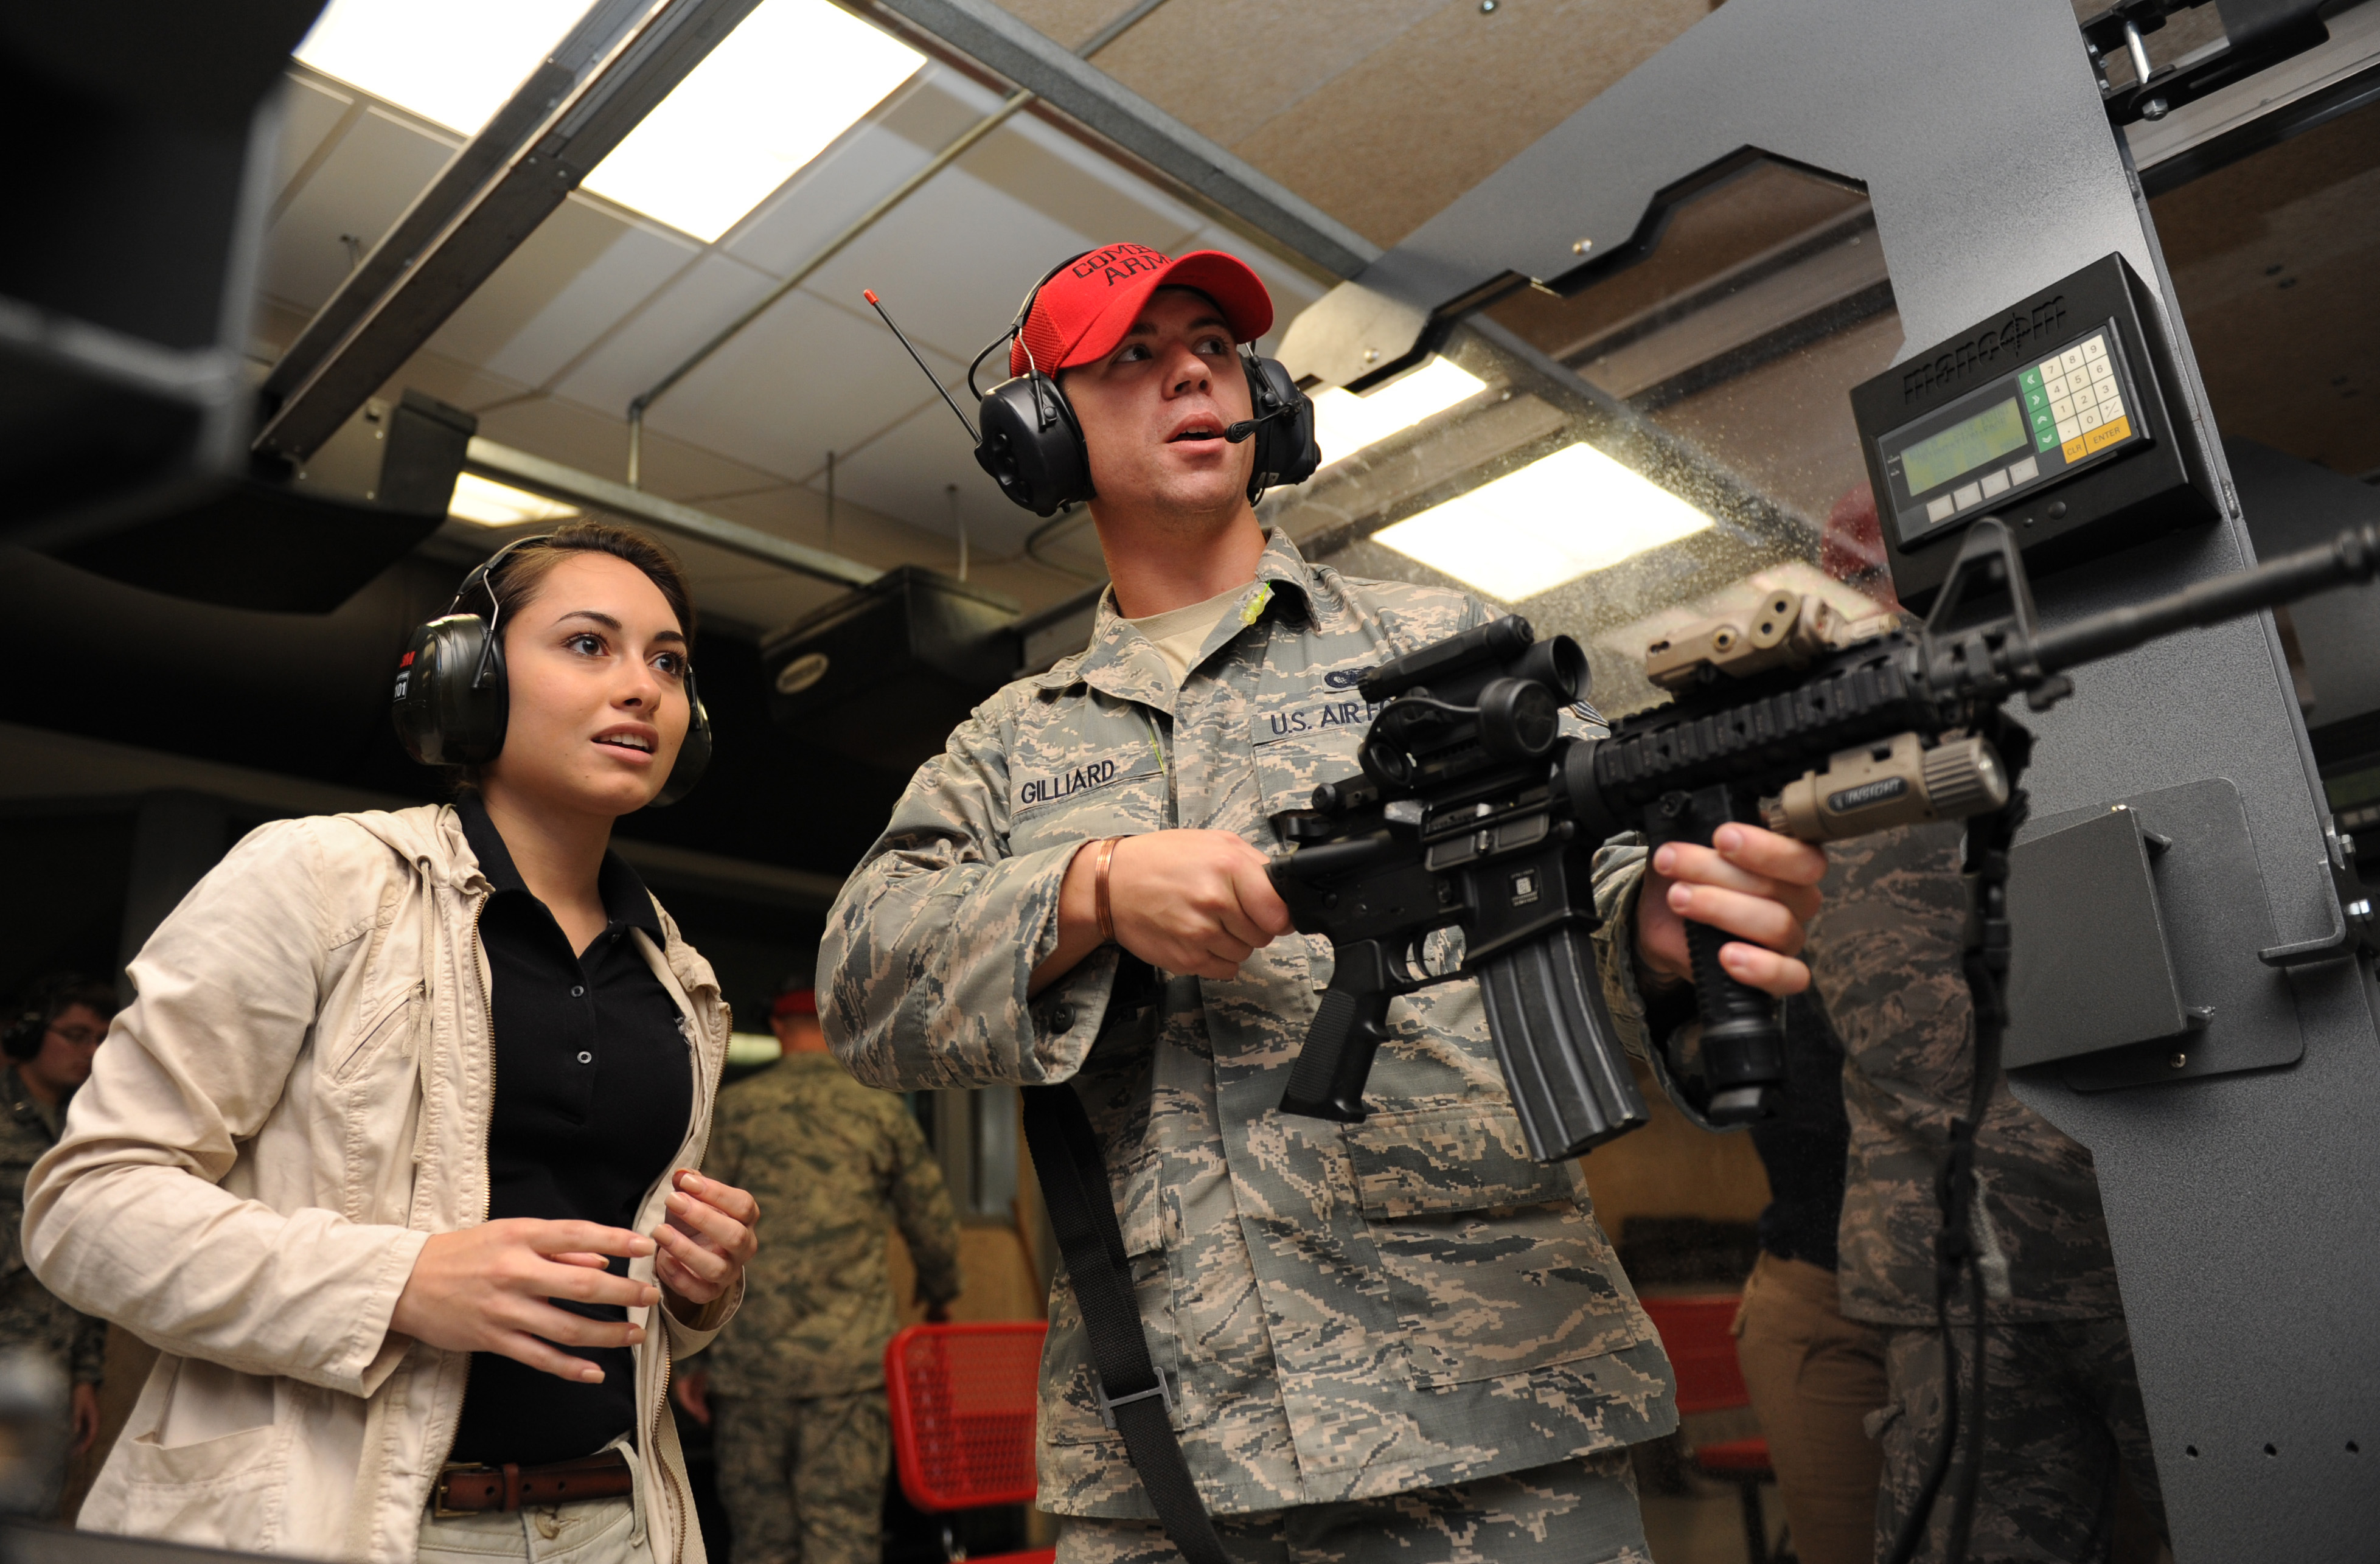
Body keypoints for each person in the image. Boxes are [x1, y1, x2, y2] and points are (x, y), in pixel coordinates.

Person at [821, 242, 1831, 1564]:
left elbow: (1591, 872)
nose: (1192, 370)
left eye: (1217, 347)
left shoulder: (1449, 651)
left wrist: (1660, 932)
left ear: (1266, 398)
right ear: (1044, 430)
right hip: (1162, 1455)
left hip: (1494, 1417)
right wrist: (1095, 885)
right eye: (1134, 355)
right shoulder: (1009, 745)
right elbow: (861, 976)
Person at [23, 523, 759, 1564]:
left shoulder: (679, 977)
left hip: (617, 1522)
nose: (641, 685)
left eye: (670, 662)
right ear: (471, 679)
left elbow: (615, 1292)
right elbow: (85, 1205)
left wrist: (695, 1290)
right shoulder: (318, 877)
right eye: (589, 644)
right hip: (355, 1522)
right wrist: (399, 1283)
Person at [674, 983, 963, 1564]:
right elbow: (933, 1225)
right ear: (837, 1032)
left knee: (760, 1543)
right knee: (844, 1539)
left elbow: (691, 1234)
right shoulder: (880, 1109)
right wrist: (940, 1298)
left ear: (780, 1031)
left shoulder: (731, 1112)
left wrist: (696, 1356)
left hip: (749, 1371)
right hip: (849, 1370)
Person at [0, 975, 114, 1511]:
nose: (89, 1052)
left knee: (30, 1520)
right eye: (75, 1034)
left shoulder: (88, 1132)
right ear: (27, 1035)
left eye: (100, 1039)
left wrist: (84, 1376)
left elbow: (90, 1263)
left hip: (53, 1367)